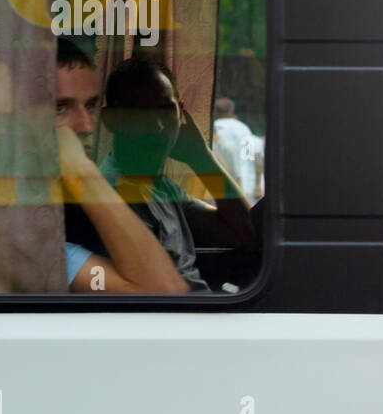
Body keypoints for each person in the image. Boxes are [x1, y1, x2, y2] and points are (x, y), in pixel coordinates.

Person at [90, 55, 257, 292]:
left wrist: (201, 158)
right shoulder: (114, 196)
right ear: (111, 120)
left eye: (165, 110)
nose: (158, 125)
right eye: (140, 114)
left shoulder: (160, 188)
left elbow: (241, 232)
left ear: (181, 114)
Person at [54, 38, 189, 293]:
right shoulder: (22, 227)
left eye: (90, 106)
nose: (86, 125)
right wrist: (81, 170)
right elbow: (165, 292)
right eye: (60, 107)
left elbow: (237, 232)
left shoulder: (60, 213)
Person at [212, 97, 261, 201]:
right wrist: (258, 184)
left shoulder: (214, 129)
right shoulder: (244, 128)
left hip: (223, 189)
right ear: (232, 110)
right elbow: (256, 157)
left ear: (215, 111)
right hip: (248, 185)